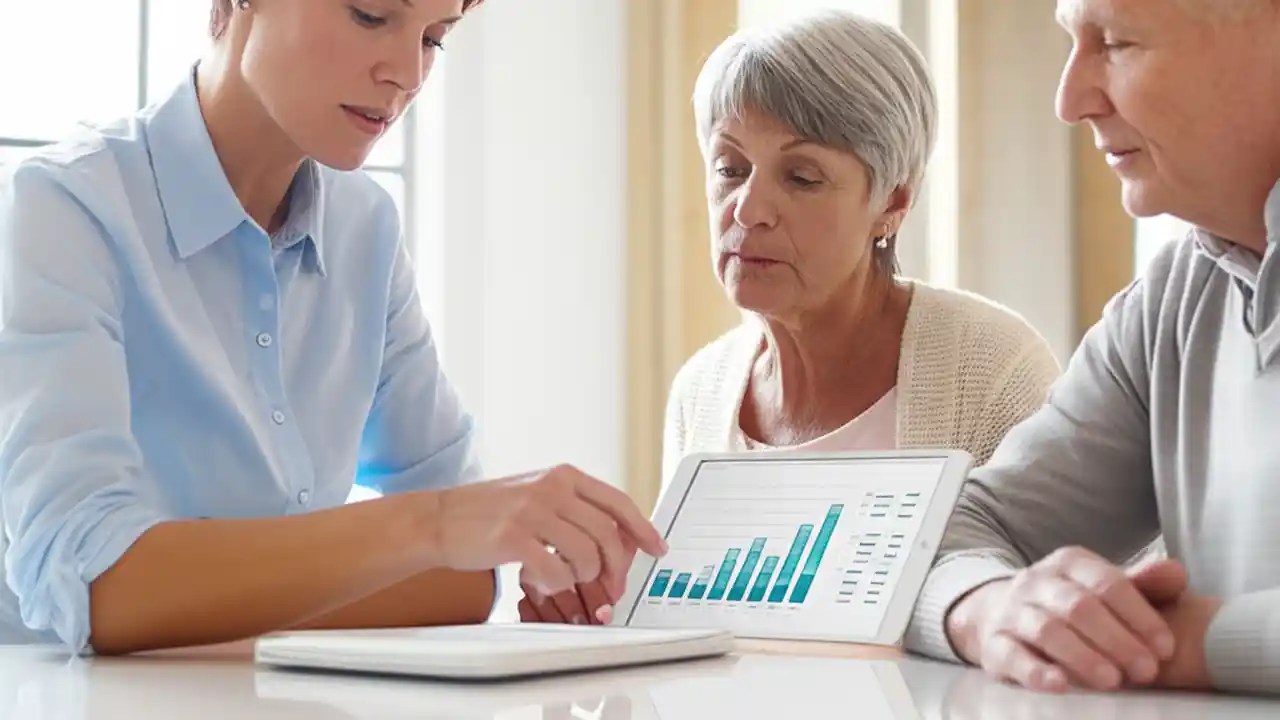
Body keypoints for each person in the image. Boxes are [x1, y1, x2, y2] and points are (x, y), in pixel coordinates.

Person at [0, 0, 665, 655]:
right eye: (372, 16)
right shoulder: (66, 208)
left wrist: (197, 599)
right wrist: (431, 527)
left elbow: (464, 579)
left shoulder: (363, 228)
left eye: (435, 37)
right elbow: (93, 585)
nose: (407, 73)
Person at [906, 0, 1280, 697]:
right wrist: (993, 609)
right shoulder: (1176, 296)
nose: (1069, 99)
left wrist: (1184, 644)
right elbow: (954, 530)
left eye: (1115, 43)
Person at [660, 12, 1059, 481]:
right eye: (730, 168)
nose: (748, 211)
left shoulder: (991, 371)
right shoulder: (700, 392)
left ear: (893, 201)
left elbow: (1066, 554)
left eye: (802, 177)